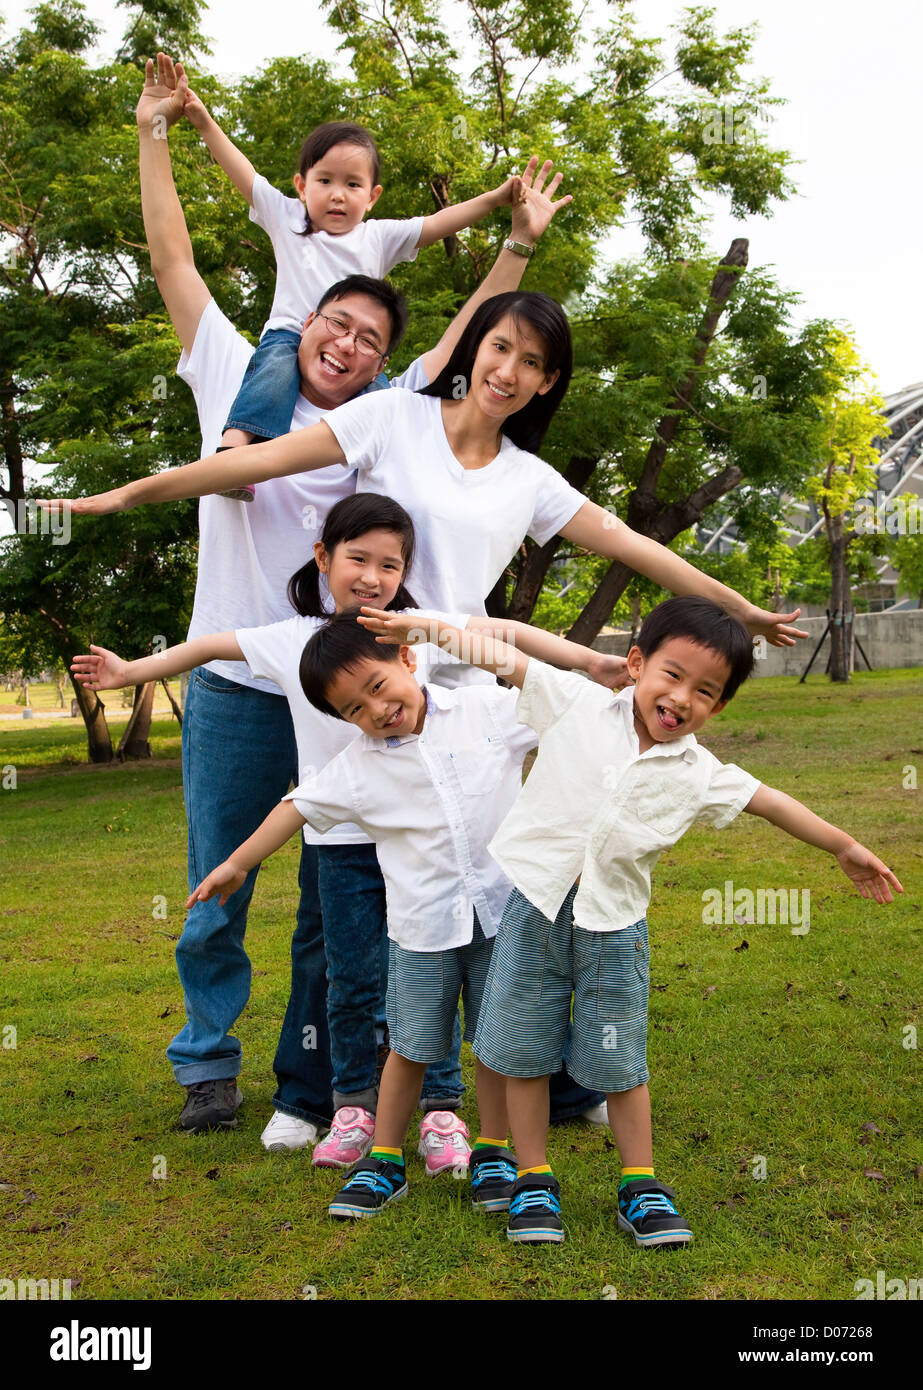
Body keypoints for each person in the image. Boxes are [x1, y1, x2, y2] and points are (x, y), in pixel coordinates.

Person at [125, 52, 576, 1141]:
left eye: (372, 339)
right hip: (238, 680)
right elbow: (175, 255)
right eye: (339, 324)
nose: (351, 344)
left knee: (339, 893)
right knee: (218, 885)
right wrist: (155, 132)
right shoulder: (237, 366)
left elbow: (472, 341)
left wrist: (516, 244)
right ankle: (207, 1062)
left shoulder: (387, 414)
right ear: (307, 318)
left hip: (341, 687)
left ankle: (327, 1081)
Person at [356, 599, 903, 1244]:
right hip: (533, 909)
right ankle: (533, 1177)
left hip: (615, 925)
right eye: (671, 675)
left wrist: (842, 844)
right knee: (521, 1046)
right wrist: (423, 629)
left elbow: (769, 801)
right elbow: (502, 656)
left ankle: (639, 1182)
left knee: (621, 1051)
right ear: (638, 664)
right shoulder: (577, 703)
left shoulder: (698, 772)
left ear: (718, 707)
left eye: (705, 691)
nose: (680, 698)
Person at [184, 609, 628, 1218]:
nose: (374, 711)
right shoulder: (359, 767)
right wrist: (237, 863)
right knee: (412, 1043)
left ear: (407, 660)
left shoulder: (486, 713)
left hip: (505, 918)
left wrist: (614, 685)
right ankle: (385, 1160)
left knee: (496, 1044)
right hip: (421, 931)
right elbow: (296, 806)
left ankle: (496, 1153)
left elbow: (559, 702)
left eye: (375, 686)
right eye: (352, 710)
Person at [175, 63, 523, 496]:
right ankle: (235, 453)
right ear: (302, 186)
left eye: (353, 184)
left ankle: (387, 488)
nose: (338, 194)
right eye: (325, 181)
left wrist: (494, 199)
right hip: (289, 336)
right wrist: (203, 121)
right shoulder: (288, 219)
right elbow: (243, 173)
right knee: (272, 379)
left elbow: (437, 224)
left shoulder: (377, 237)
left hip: (357, 351)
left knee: (384, 405)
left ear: (372, 196)